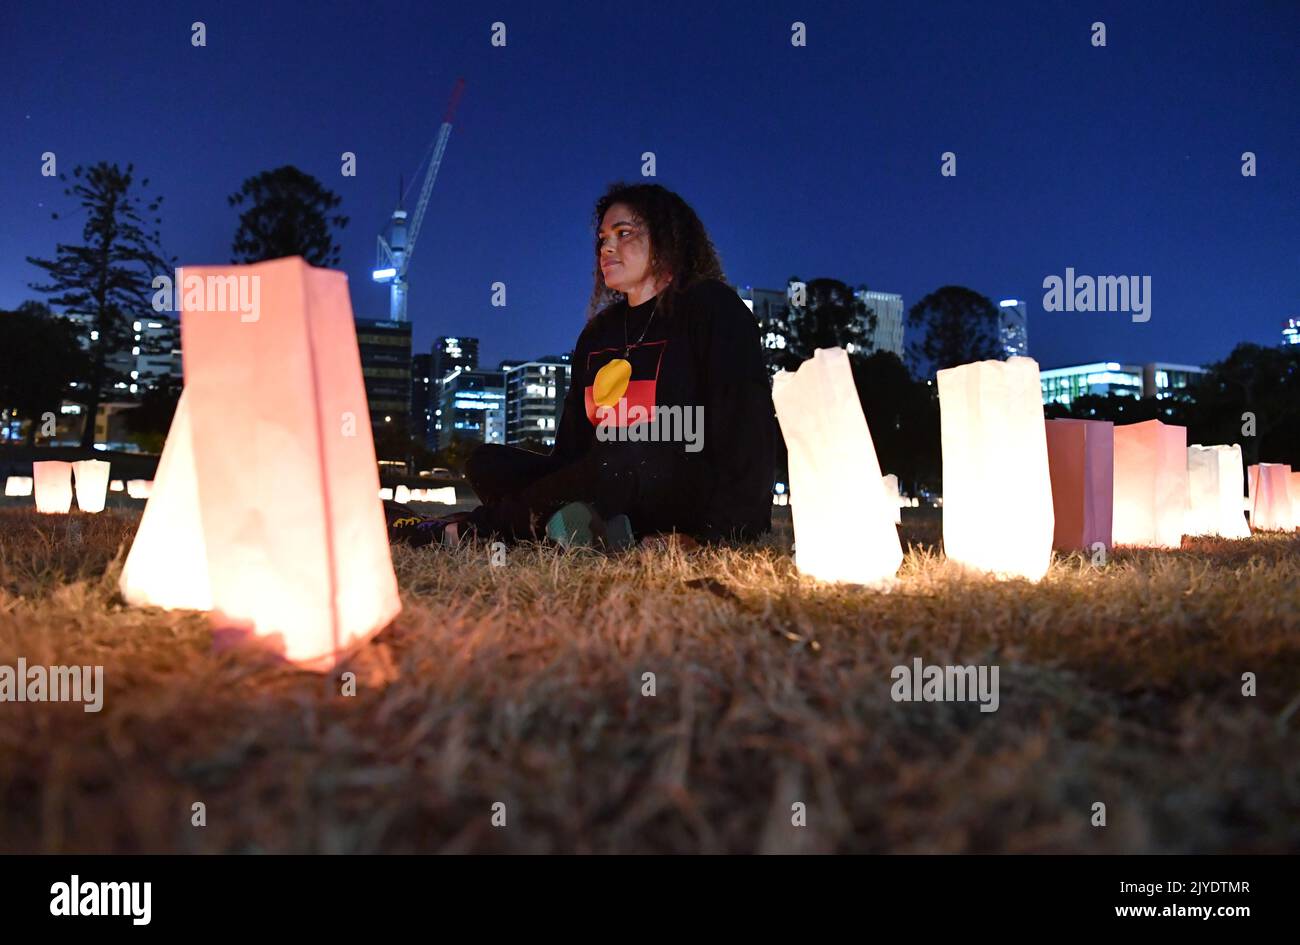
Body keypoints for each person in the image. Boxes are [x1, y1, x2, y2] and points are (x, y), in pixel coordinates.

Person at [388, 182, 774, 549]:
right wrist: (560, 484)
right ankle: (590, 528)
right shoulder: (599, 334)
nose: (607, 247)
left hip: (682, 483)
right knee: (488, 462)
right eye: (603, 238)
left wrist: (723, 532)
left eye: (624, 233)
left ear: (667, 238)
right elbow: (572, 451)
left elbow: (747, 432)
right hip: (609, 481)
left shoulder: (712, 308)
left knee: (631, 446)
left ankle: (471, 531)